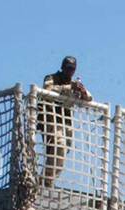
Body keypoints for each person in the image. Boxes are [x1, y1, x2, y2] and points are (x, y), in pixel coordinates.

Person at [38, 55, 92, 186]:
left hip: (65, 122)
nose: (70, 71)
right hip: (50, 118)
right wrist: (68, 88)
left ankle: (47, 180)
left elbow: (89, 98)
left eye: (72, 69)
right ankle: (46, 181)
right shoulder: (52, 78)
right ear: (62, 67)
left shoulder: (74, 84)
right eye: (68, 68)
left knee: (61, 152)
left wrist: (82, 91)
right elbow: (47, 90)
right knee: (59, 146)